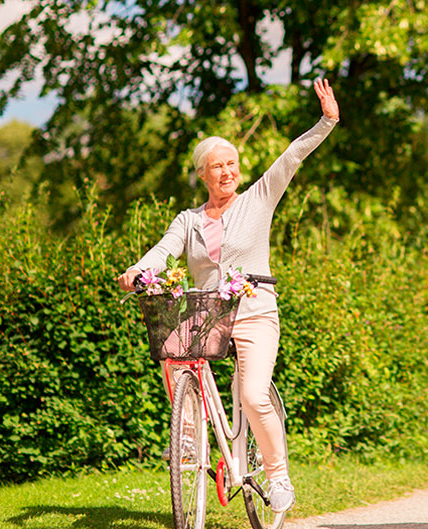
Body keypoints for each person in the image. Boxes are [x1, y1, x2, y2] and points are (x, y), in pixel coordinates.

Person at [117, 79, 341, 512]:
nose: (226, 172)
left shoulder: (258, 198)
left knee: (253, 395)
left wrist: (326, 122)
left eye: (231, 164)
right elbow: (164, 251)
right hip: (208, 315)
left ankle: (278, 477)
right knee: (172, 352)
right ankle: (189, 437)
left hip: (256, 311)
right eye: (216, 166)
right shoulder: (189, 219)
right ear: (202, 173)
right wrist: (138, 271)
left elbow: (291, 156)